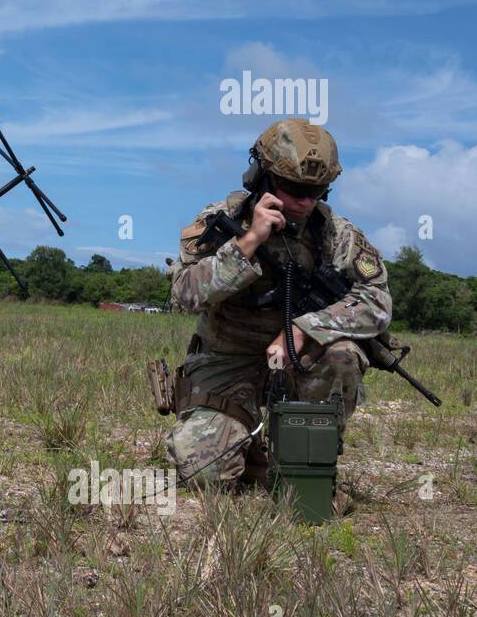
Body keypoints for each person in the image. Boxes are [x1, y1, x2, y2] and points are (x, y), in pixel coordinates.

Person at [167, 117, 391, 491]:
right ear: (262, 177)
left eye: (317, 190)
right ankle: (246, 438)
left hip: (299, 361)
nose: (305, 201)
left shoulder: (338, 234)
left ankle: (309, 461)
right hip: (228, 359)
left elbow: (377, 301)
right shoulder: (220, 222)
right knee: (204, 477)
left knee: (344, 355)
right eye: (293, 188)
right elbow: (185, 294)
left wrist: (304, 330)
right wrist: (248, 243)